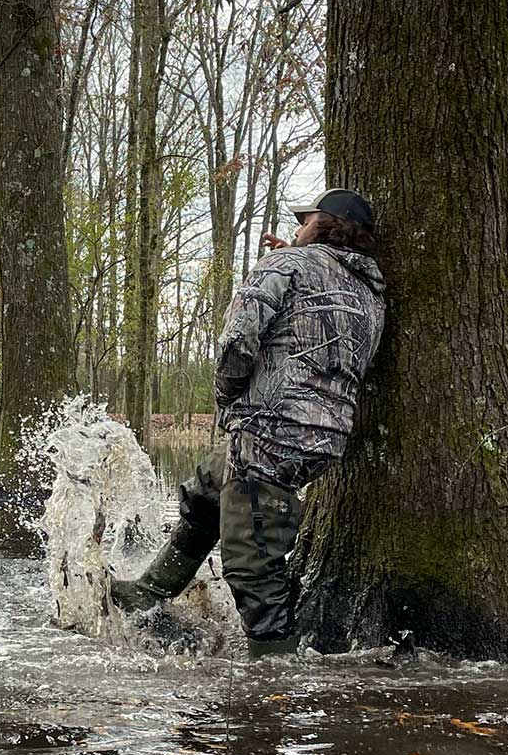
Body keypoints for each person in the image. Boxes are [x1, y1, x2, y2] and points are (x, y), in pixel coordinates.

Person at [111, 188, 386, 650]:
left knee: (250, 566)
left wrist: (227, 398)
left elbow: (237, 342)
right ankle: (149, 593)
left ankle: (271, 671)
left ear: (324, 224)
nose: (296, 228)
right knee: (206, 492)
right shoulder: (371, 294)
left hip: (268, 430)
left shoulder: (284, 266)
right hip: (326, 439)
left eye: (304, 221)